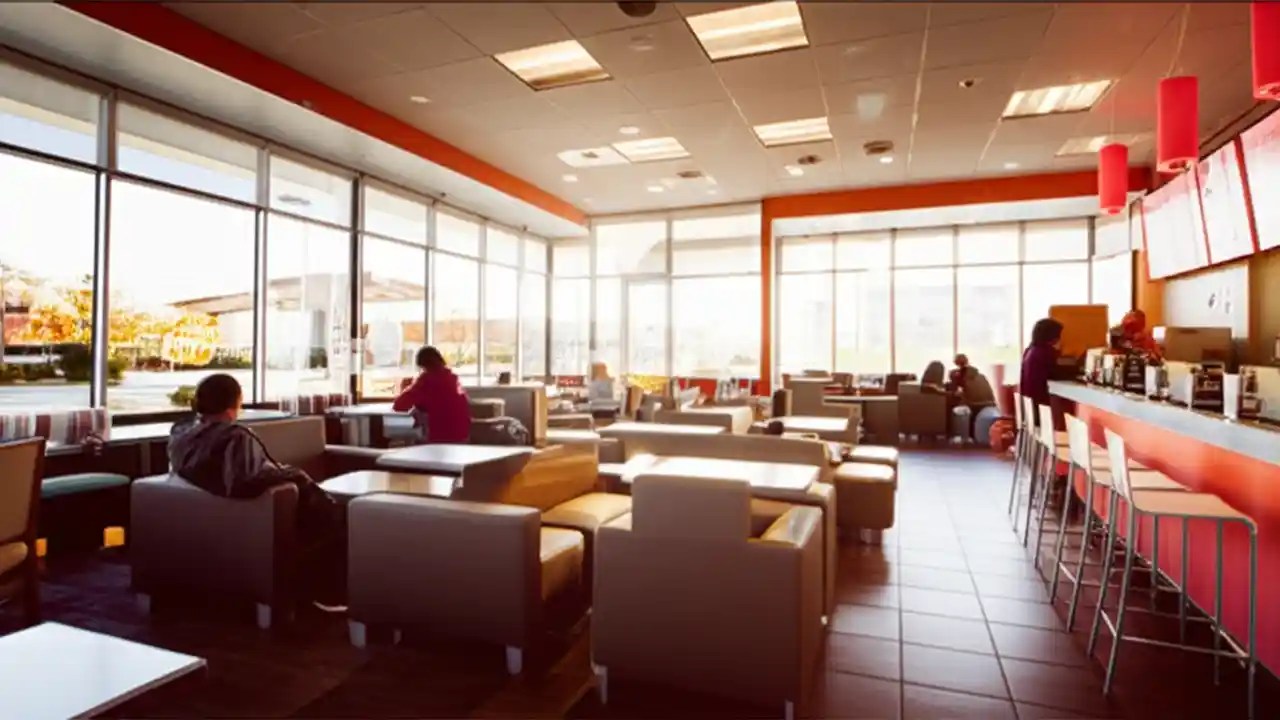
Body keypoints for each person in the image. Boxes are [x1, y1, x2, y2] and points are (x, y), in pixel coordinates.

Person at [168, 373, 345, 609]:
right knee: (337, 518)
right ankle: (328, 591)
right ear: (235, 403)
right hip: (263, 516)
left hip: (210, 520)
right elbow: (245, 481)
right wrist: (291, 474)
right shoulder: (235, 437)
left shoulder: (182, 435)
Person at [392, 345, 472, 443]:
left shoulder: (425, 382)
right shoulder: (453, 379)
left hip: (438, 440)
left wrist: (406, 388)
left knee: (408, 439)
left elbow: (399, 405)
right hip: (462, 438)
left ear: (423, 365)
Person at [948, 353, 997, 440]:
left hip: (975, 404)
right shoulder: (980, 375)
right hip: (990, 403)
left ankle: (957, 436)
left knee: (956, 408)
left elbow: (955, 390)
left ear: (956, 363)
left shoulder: (960, 375)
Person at [1020, 318, 1064, 413]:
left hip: (1029, 407)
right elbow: (1057, 374)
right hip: (1040, 407)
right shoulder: (1045, 352)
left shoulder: (1030, 350)